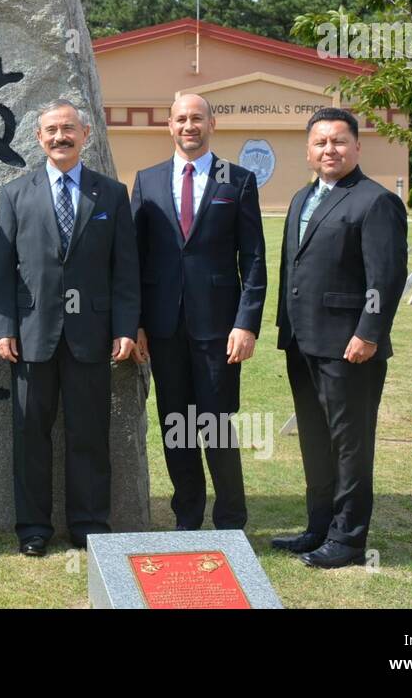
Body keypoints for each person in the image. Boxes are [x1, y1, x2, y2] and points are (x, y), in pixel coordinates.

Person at [0, 98, 139, 556]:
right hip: (31, 336)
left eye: (68, 129)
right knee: (31, 435)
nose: (60, 137)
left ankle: (89, 524)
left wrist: (126, 327)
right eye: (51, 129)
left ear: (85, 134)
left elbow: (125, 269)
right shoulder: (15, 194)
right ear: (39, 138)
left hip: (93, 337)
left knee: (89, 434)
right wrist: (3, 327)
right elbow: (2, 270)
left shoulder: (111, 194)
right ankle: (33, 528)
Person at [274, 107, 407, 568]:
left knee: (349, 444)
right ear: (308, 151)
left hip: (349, 347)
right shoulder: (301, 198)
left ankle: (348, 540)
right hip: (303, 343)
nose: (328, 149)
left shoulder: (375, 201)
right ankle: (318, 528)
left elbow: (385, 278)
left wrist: (368, 333)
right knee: (314, 439)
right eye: (320, 143)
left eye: (338, 141)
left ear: (356, 146)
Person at [129, 93, 266, 531]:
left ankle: (230, 518)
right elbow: (134, 259)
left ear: (212, 124)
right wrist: (137, 323)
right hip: (165, 327)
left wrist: (246, 323)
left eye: (198, 119)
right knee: (176, 424)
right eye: (182, 119)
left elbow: (255, 260)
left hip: (220, 328)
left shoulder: (237, 180)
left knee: (217, 423)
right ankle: (186, 515)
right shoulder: (147, 180)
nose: (190, 126)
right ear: (169, 125)